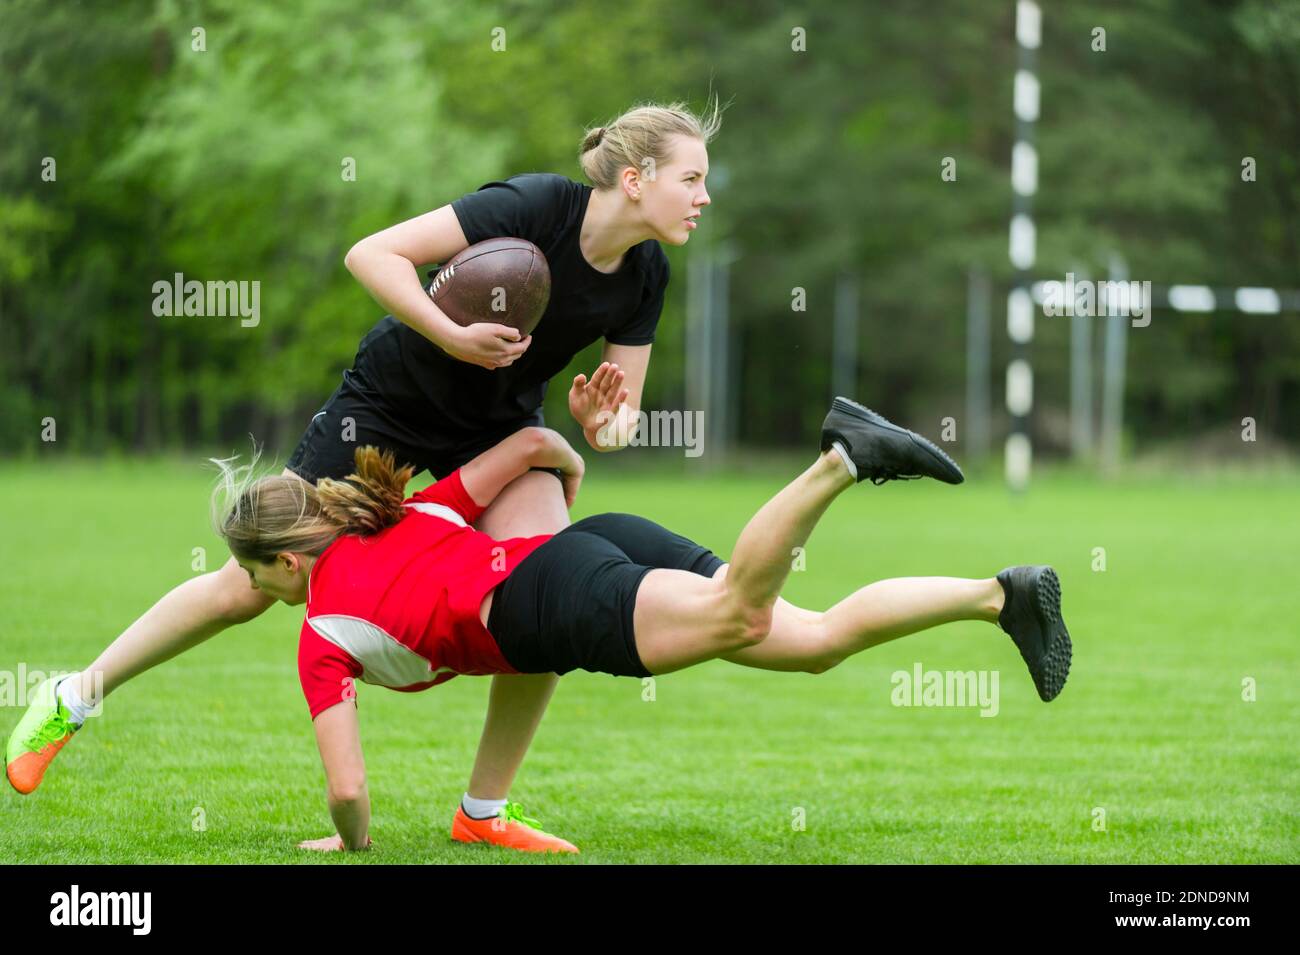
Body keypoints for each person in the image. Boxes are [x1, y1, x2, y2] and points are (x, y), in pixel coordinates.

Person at [6, 99, 724, 851]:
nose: (705, 196)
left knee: (543, 590)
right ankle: (73, 696)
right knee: (243, 588)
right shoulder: (535, 205)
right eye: (693, 178)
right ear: (636, 180)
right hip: (388, 405)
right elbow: (371, 253)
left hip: (499, 424)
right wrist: (453, 333)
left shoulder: (646, 273)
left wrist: (598, 421)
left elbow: (621, 420)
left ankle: (482, 811)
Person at [208, 398, 1074, 853]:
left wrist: (351, 844)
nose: (254, 592)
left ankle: (842, 458)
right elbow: (522, 451)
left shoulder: (321, 631)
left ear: (288, 563)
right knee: (809, 642)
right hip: (581, 553)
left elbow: (351, 791)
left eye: (252, 575)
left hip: (561, 595)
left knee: (740, 605)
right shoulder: (402, 510)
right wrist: (572, 467)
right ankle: (1001, 596)